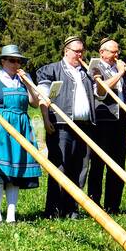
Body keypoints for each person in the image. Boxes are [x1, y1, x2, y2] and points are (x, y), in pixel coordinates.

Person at [0, 44, 44, 224]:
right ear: (3, 61)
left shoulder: (24, 79)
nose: (17, 64)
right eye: (13, 61)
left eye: (19, 61)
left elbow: (34, 103)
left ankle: (11, 215)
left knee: (16, 170)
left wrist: (28, 83)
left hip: (21, 126)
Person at [34, 35, 97, 219]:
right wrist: (46, 119)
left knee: (80, 167)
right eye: (76, 51)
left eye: (82, 51)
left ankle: (71, 209)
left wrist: (98, 79)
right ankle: (54, 210)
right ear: (66, 51)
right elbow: (43, 96)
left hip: (85, 126)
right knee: (60, 166)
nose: (80, 55)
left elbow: (99, 94)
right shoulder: (52, 70)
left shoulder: (87, 73)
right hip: (61, 126)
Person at [87, 38, 126, 215]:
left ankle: (113, 206)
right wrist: (120, 73)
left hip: (120, 124)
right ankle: (94, 204)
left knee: (118, 166)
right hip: (102, 123)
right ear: (102, 52)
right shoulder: (95, 68)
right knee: (98, 165)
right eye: (113, 51)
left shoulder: (120, 70)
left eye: (118, 51)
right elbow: (101, 91)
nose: (116, 55)